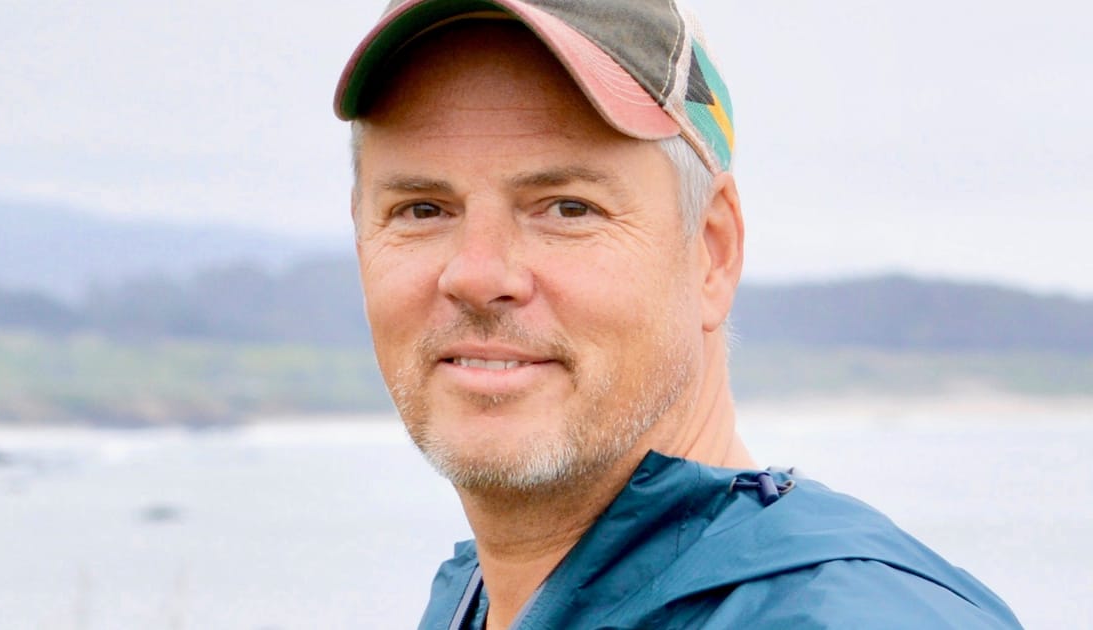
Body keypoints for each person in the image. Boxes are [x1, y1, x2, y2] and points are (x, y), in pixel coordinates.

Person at [333, 1, 1023, 628]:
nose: (478, 276)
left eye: (568, 208)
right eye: (421, 209)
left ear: (712, 252)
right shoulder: (477, 599)